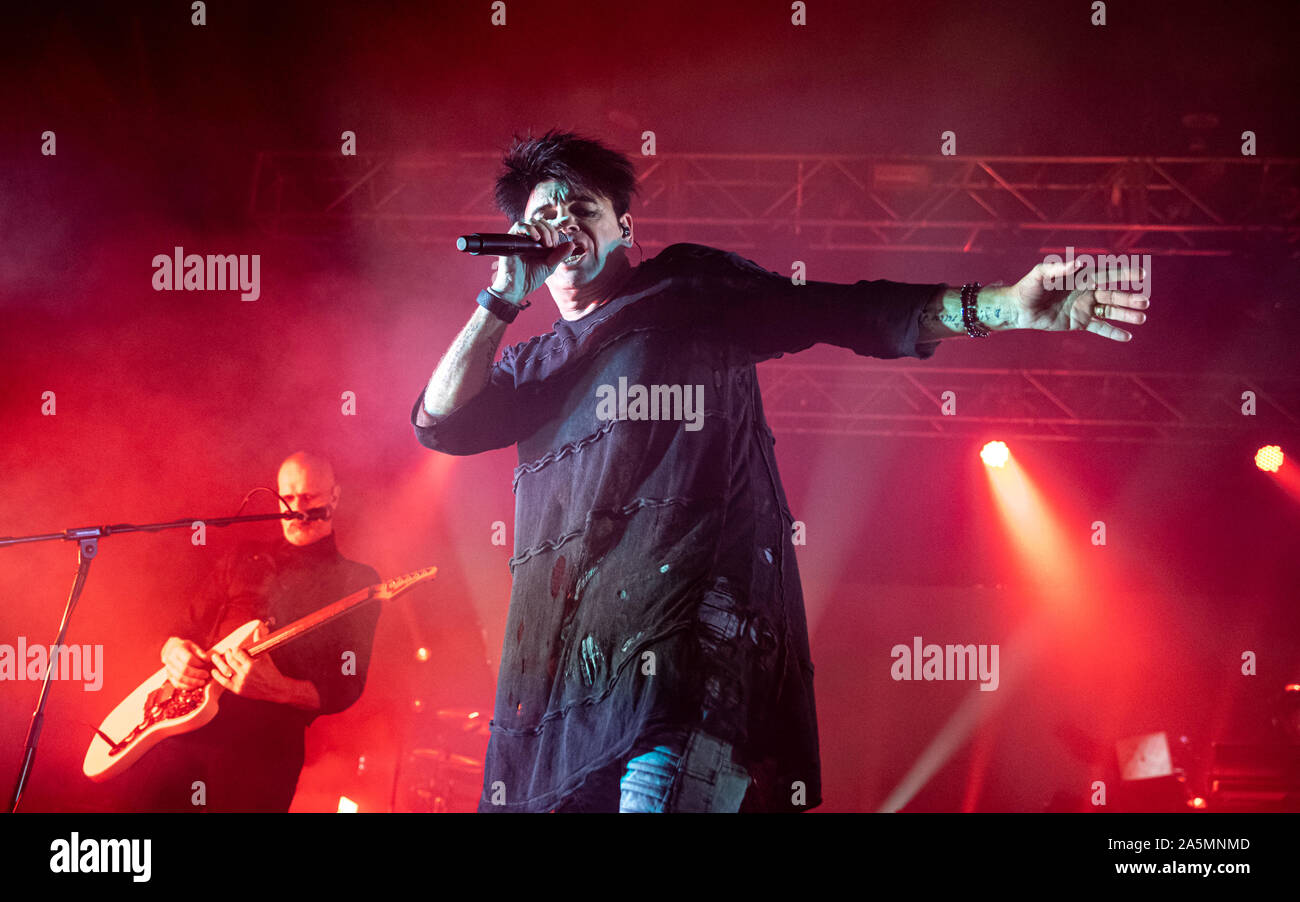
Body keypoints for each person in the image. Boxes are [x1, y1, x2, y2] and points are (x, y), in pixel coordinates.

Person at [410, 130, 1150, 813]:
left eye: (584, 207)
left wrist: (999, 308)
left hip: (679, 661)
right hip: (560, 697)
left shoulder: (684, 291)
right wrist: (501, 298)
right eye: (545, 211)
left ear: (624, 229)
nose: (563, 221)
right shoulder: (532, 366)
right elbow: (438, 422)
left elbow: (831, 310)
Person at [126, 451, 382, 812]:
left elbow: (348, 684)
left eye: (308, 497)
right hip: (182, 732)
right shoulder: (242, 558)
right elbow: (182, 628)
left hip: (262, 754)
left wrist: (280, 690)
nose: (296, 508)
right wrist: (174, 652)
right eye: (287, 499)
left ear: (334, 497)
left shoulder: (358, 581)